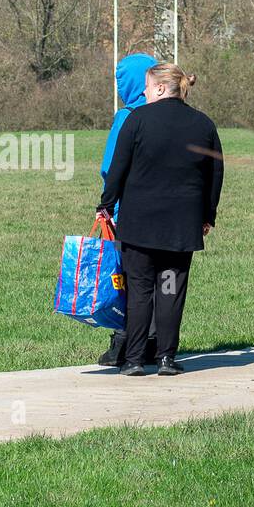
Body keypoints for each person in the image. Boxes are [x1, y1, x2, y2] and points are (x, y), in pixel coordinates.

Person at [97, 64, 223, 376]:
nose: (144, 93)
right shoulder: (203, 124)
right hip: (181, 225)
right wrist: (207, 215)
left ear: (162, 88)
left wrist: (106, 204)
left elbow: (118, 168)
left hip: (140, 223)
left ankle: (135, 359)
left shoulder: (137, 119)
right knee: (170, 290)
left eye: (148, 87)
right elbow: (214, 175)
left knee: (139, 291)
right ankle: (167, 358)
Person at [97, 52, 159, 368]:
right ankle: (154, 340)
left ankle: (122, 343)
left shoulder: (126, 117)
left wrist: (107, 203)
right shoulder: (166, 113)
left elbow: (110, 167)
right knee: (161, 280)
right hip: (163, 211)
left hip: (128, 210)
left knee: (128, 278)